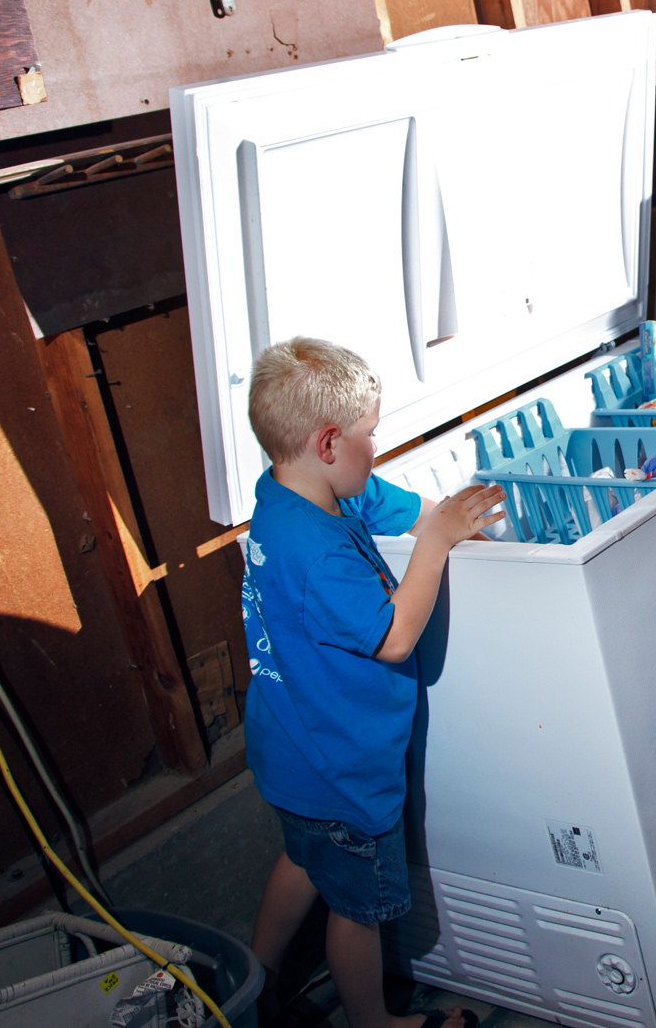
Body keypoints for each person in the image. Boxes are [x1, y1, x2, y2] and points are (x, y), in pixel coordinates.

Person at [239, 336, 504, 1028]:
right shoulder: (319, 550)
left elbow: (392, 504)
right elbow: (394, 637)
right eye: (371, 435)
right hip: (342, 769)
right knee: (355, 907)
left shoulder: (288, 494)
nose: (376, 448)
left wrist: (442, 518)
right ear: (328, 442)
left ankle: (251, 982)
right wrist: (438, 544)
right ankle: (372, 1021)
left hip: (290, 752)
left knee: (303, 861)